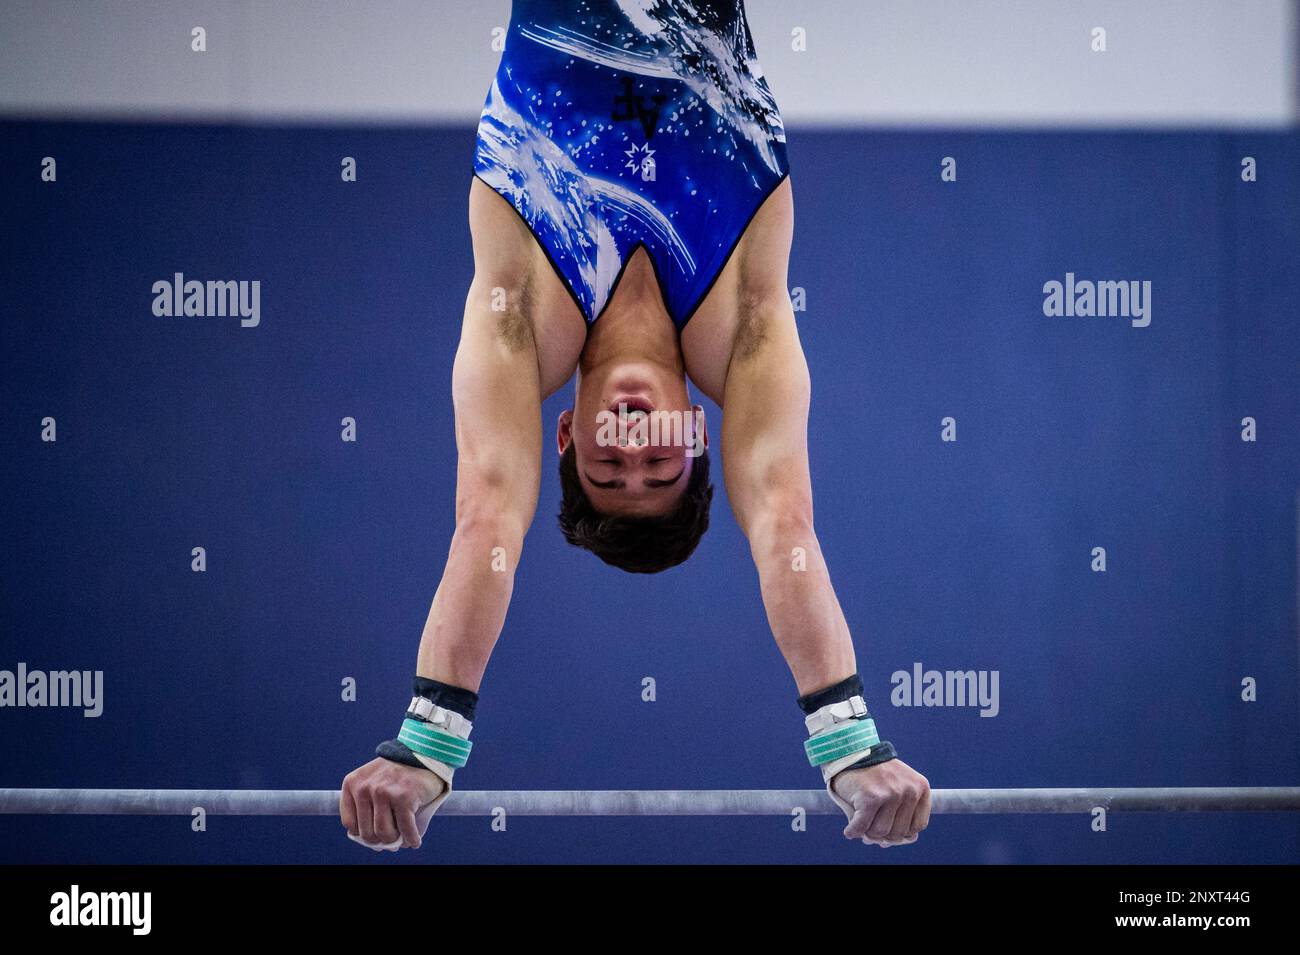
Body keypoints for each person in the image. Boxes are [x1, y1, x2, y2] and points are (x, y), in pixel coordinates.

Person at [340, 0, 930, 852]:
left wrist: (429, 741)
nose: (633, 449)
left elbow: (488, 517)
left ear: (567, 438)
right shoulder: (749, 322)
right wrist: (850, 741)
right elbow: (782, 525)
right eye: (663, 465)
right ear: (700, 426)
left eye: (609, 471)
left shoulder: (520, 320)